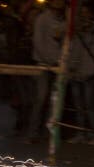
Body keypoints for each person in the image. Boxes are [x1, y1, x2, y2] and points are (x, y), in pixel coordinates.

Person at [27, 0, 66, 142]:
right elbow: (38, 42)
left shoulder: (63, 21)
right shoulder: (42, 19)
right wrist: (48, 60)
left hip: (57, 65)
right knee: (41, 98)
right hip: (43, 64)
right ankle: (32, 132)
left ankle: (48, 132)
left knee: (54, 100)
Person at [68, 5, 94, 144]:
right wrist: (71, 69)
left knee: (90, 105)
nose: (84, 16)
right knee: (79, 106)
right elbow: (72, 51)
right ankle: (80, 133)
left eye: (86, 12)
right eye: (81, 13)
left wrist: (91, 71)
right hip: (75, 73)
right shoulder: (75, 31)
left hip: (89, 74)